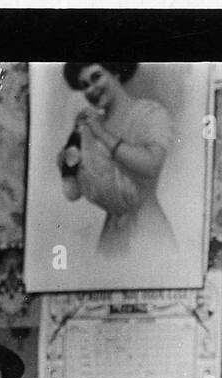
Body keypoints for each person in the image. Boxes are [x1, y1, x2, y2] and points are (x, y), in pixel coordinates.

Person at [57, 62, 176, 259]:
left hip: (147, 232)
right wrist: (71, 159)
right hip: (111, 238)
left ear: (116, 72)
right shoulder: (89, 127)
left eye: (96, 77)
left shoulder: (148, 113)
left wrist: (101, 133)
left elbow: (151, 166)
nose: (92, 89)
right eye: (85, 85)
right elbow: (73, 193)